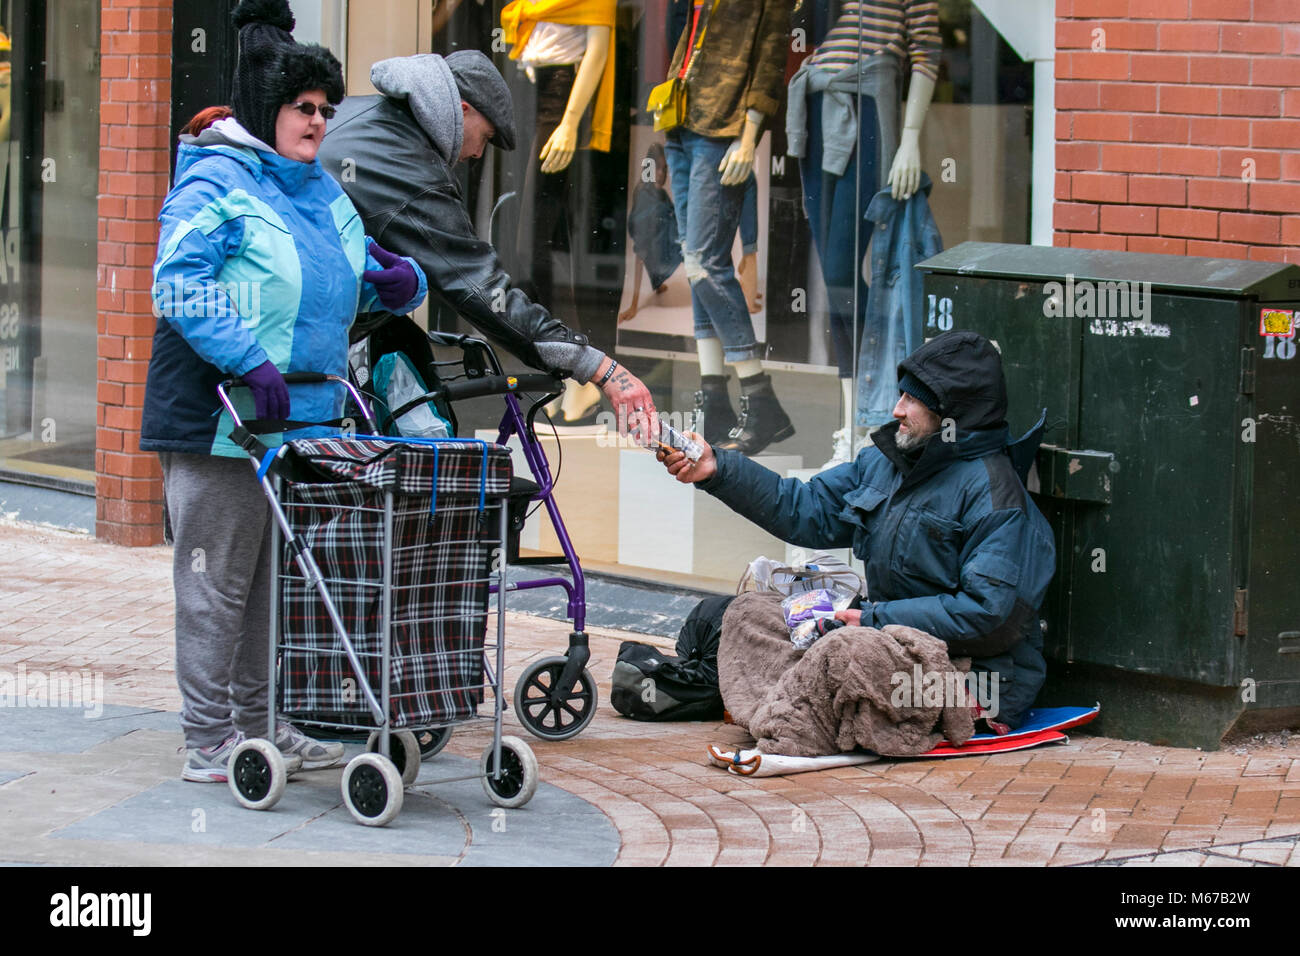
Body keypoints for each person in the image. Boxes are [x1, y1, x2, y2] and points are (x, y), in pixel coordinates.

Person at [140, 0, 428, 782]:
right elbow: (179, 284)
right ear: (267, 110)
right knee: (215, 586)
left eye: (326, 110)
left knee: (273, 586)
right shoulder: (215, 181)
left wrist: (401, 282)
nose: (317, 121)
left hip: (298, 423)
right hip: (221, 419)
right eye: (303, 108)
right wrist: (247, 359)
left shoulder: (316, 188)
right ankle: (208, 741)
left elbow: (343, 277)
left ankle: (262, 722)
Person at [657, 330, 1056, 729]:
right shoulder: (888, 462)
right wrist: (716, 469)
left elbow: (985, 615)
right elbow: (802, 509)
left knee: (846, 654)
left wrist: (869, 619)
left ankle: (790, 711)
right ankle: (793, 704)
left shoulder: (996, 495)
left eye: (912, 399)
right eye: (901, 395)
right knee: (739, 613)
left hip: (971, 671)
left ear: (950, 413)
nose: (897, 409)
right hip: (882, 637)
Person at [317, 51, 658, 442]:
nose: (478, 153)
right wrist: (598, 367)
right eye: (487, 136)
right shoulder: (407, 165)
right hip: (302, 347)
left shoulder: (357, 112)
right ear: (463, 108)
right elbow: (479, 286)